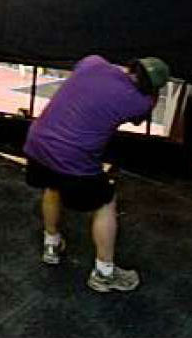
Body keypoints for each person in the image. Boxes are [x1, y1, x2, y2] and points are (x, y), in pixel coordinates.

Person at [23, 54, 170, 293]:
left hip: (38, 141)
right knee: (106, 202)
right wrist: (151, 95)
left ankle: (51, 244)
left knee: (53, 185)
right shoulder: (140, 101)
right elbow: (139, 118)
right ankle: (104, 273)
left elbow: (88, 76)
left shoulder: (93, 62)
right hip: (72, 156)